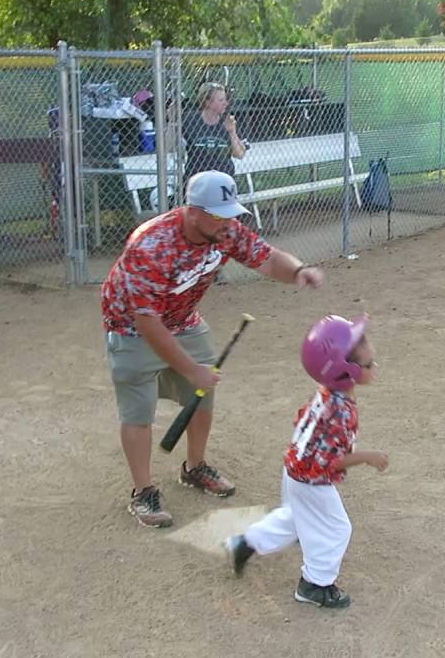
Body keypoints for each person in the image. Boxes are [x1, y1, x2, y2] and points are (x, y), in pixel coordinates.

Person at [100, 170, 325, 529]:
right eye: (219, 215)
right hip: (132, 327)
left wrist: (298, 271)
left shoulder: (225, 231)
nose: (227, 222)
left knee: (202, 397)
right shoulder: (151, 245)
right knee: (138, 411)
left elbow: (267, 258)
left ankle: (194, 467)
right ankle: (143, 491)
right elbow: (148, 323)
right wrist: (192, 370)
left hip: (183, 319)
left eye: (230, 213)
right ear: (192, 212)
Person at [224, 314, 388, 610]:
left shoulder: (327, 393)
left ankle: (246, 543)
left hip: (294, 470)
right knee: (337, 529)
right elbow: (332, 462)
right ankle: (315, 585)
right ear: (347, 372)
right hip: (312, 480)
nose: (375, 368)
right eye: (369, 364)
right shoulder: (342, 411)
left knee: (297, 518)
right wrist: (368, 458)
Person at [181, 82, 247, 185]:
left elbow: (239, 154)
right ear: (207, 102)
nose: (225, 103)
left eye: (225, 99)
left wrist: (232, 132)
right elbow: (170, 147)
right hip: (197, 181)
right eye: (221, 100)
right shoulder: (190, 120)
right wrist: (172, 121)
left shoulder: (227, 121)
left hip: (223, 180)